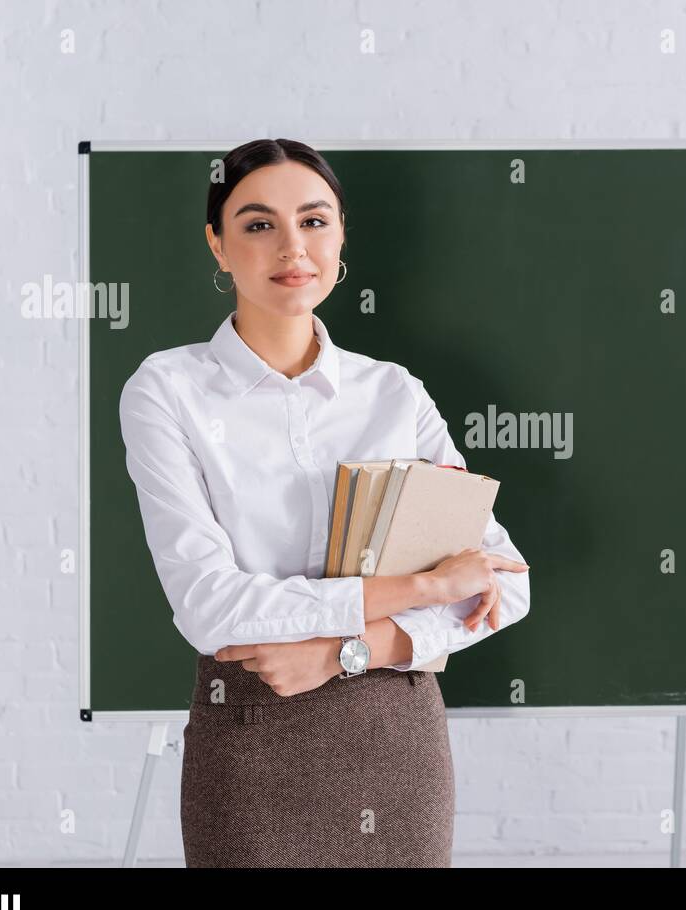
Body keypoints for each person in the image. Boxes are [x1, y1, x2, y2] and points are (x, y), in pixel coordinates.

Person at [117, 138, 531, 867]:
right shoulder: (167, 389)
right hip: (251, 737)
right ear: (217, 244)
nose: (291, 246)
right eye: (257, 224)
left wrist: (344, 651)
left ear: (340, 239)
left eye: (313, 221)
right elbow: (210, 606)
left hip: (396, 743)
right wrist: (421, 587)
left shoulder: (394, 393)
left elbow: (505, 582)